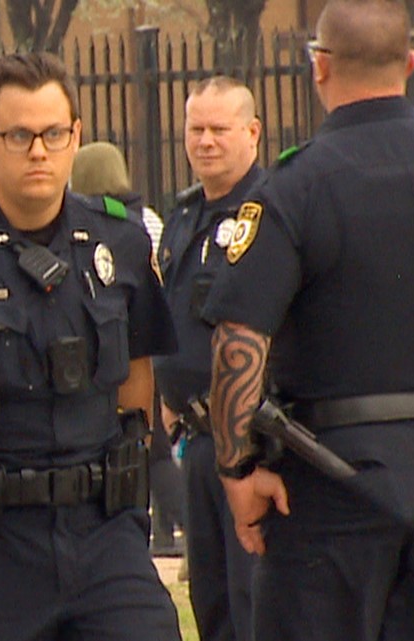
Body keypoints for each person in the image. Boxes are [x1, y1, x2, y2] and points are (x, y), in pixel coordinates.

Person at [0, 52, 181, 641]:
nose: (39, 151)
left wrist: (130, 495)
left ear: (76, 136)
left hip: (103, 532)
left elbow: (137, 379)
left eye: (53, 133)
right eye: (20, 135)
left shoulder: (119, 236)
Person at [204, 1, 414, 639]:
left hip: (337, 484)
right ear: (412, 65)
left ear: (319, 66)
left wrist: (237, 469)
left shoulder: (296, 186)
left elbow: (238, 342)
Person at [155, 76, 263, 641]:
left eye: (219, 129)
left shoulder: (271, 212)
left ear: (252, 132)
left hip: (253, 446)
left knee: (255, 602)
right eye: (195, 129)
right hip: (196, 443)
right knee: (212, 600)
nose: (205, 141)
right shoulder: (183, 215)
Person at [71, 141, 186, 557]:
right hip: (148, 336)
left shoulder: (96, 225)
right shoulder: (147, 219)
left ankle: (179, 524)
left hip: (117, 346)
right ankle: (163, 533)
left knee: (149, 451)